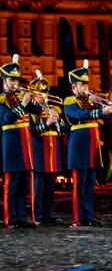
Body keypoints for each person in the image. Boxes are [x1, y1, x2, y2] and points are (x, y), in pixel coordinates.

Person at [62, 60, 112, 226]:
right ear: (74, 87)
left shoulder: (90, 101)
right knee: (79, 185)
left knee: (89, 184)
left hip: (92, 148)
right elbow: (79, 115)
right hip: (79, 148)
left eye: (86, 84)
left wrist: (107, 105)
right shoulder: (69, 101)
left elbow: (105, 115)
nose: (85, 88)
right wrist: (100, 110)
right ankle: (79, 217)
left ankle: (88, 215)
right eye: (81, 85)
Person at [1, 55, 36, 228]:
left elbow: (37, 110)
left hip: (24, 145)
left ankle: (21, 217)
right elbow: (6, 119)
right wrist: (23, 104)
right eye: (11, 80)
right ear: (4, 81)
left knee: (23, 185)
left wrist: (35, 99)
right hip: (12, 145)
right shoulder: (1, 99)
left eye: (16, 80)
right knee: (12, 184)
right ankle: (11, 218)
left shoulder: (19, 96)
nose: (15, 83)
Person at [28, 71, 64, 225]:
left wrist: (58, 120)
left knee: (50, 185)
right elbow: (31, 130)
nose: (44, 96)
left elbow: (64, 129)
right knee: (39, 185)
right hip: (38, 150)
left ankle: (48, 214)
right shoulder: (30, 110)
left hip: (52, 151)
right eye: (41, 94)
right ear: (34, 95)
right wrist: (47, 123)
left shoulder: (52, 108)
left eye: (46, 93)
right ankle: (38, 215)